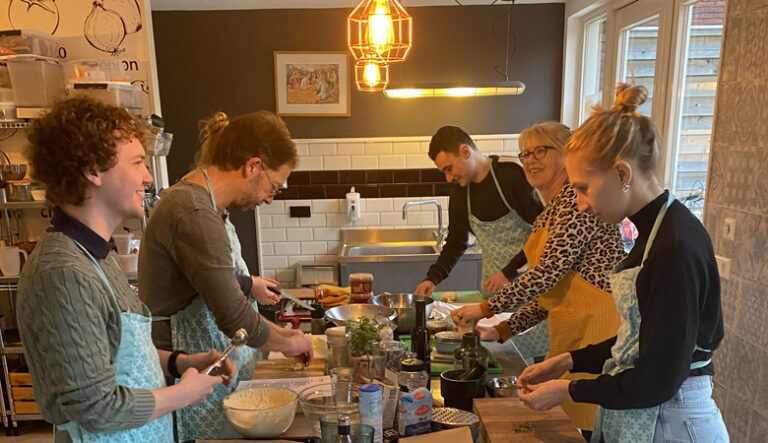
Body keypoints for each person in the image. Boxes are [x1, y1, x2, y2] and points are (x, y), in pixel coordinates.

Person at [517, 85, 728, 442]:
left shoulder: (674, 246)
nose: (580, 204)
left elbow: (656, 380)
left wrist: (569, 391)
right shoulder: (657, 230)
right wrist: (568, 361)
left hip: (674, 423)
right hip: (660, 415)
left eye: (583, 188)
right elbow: (644, 337)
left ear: (622, 174)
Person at [16, 96, 234, 443]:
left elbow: (117, 357)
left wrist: (181, 362)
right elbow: (97, 407)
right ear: (92, 170)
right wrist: (183, 393)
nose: (147, 177)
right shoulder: (63, 274)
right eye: (136, 163)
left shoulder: (95, 255)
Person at [139, 110, 313, 441]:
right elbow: (235, 317)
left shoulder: (205, 206)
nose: (270, 198)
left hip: (197, 360)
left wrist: (285, 336)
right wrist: (289, 344)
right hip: (179, 367)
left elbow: (226, 291)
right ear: (253, 166)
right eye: (273, 186)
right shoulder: (193, 212)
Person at [451, 122, 624, 437]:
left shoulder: (575, 200)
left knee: (593, 424)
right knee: (575, 425)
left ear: (566, 153)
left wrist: (486, 308)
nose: (529, 160)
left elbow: (546, 275)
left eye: (539, 151)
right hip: (572, 327)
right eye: (525, 154)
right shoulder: (549, 213)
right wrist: (501, 330)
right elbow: (551, 294)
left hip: (600, 328)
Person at [413, 126, 543, 297]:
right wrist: (432, 278)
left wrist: (508, 273)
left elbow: (543, 232)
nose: (449, 178)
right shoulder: (460, 194)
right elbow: (456, 243)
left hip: (534, 288)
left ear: (465, 151)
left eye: (449, 168)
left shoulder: (511, 174)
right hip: (495, 294)